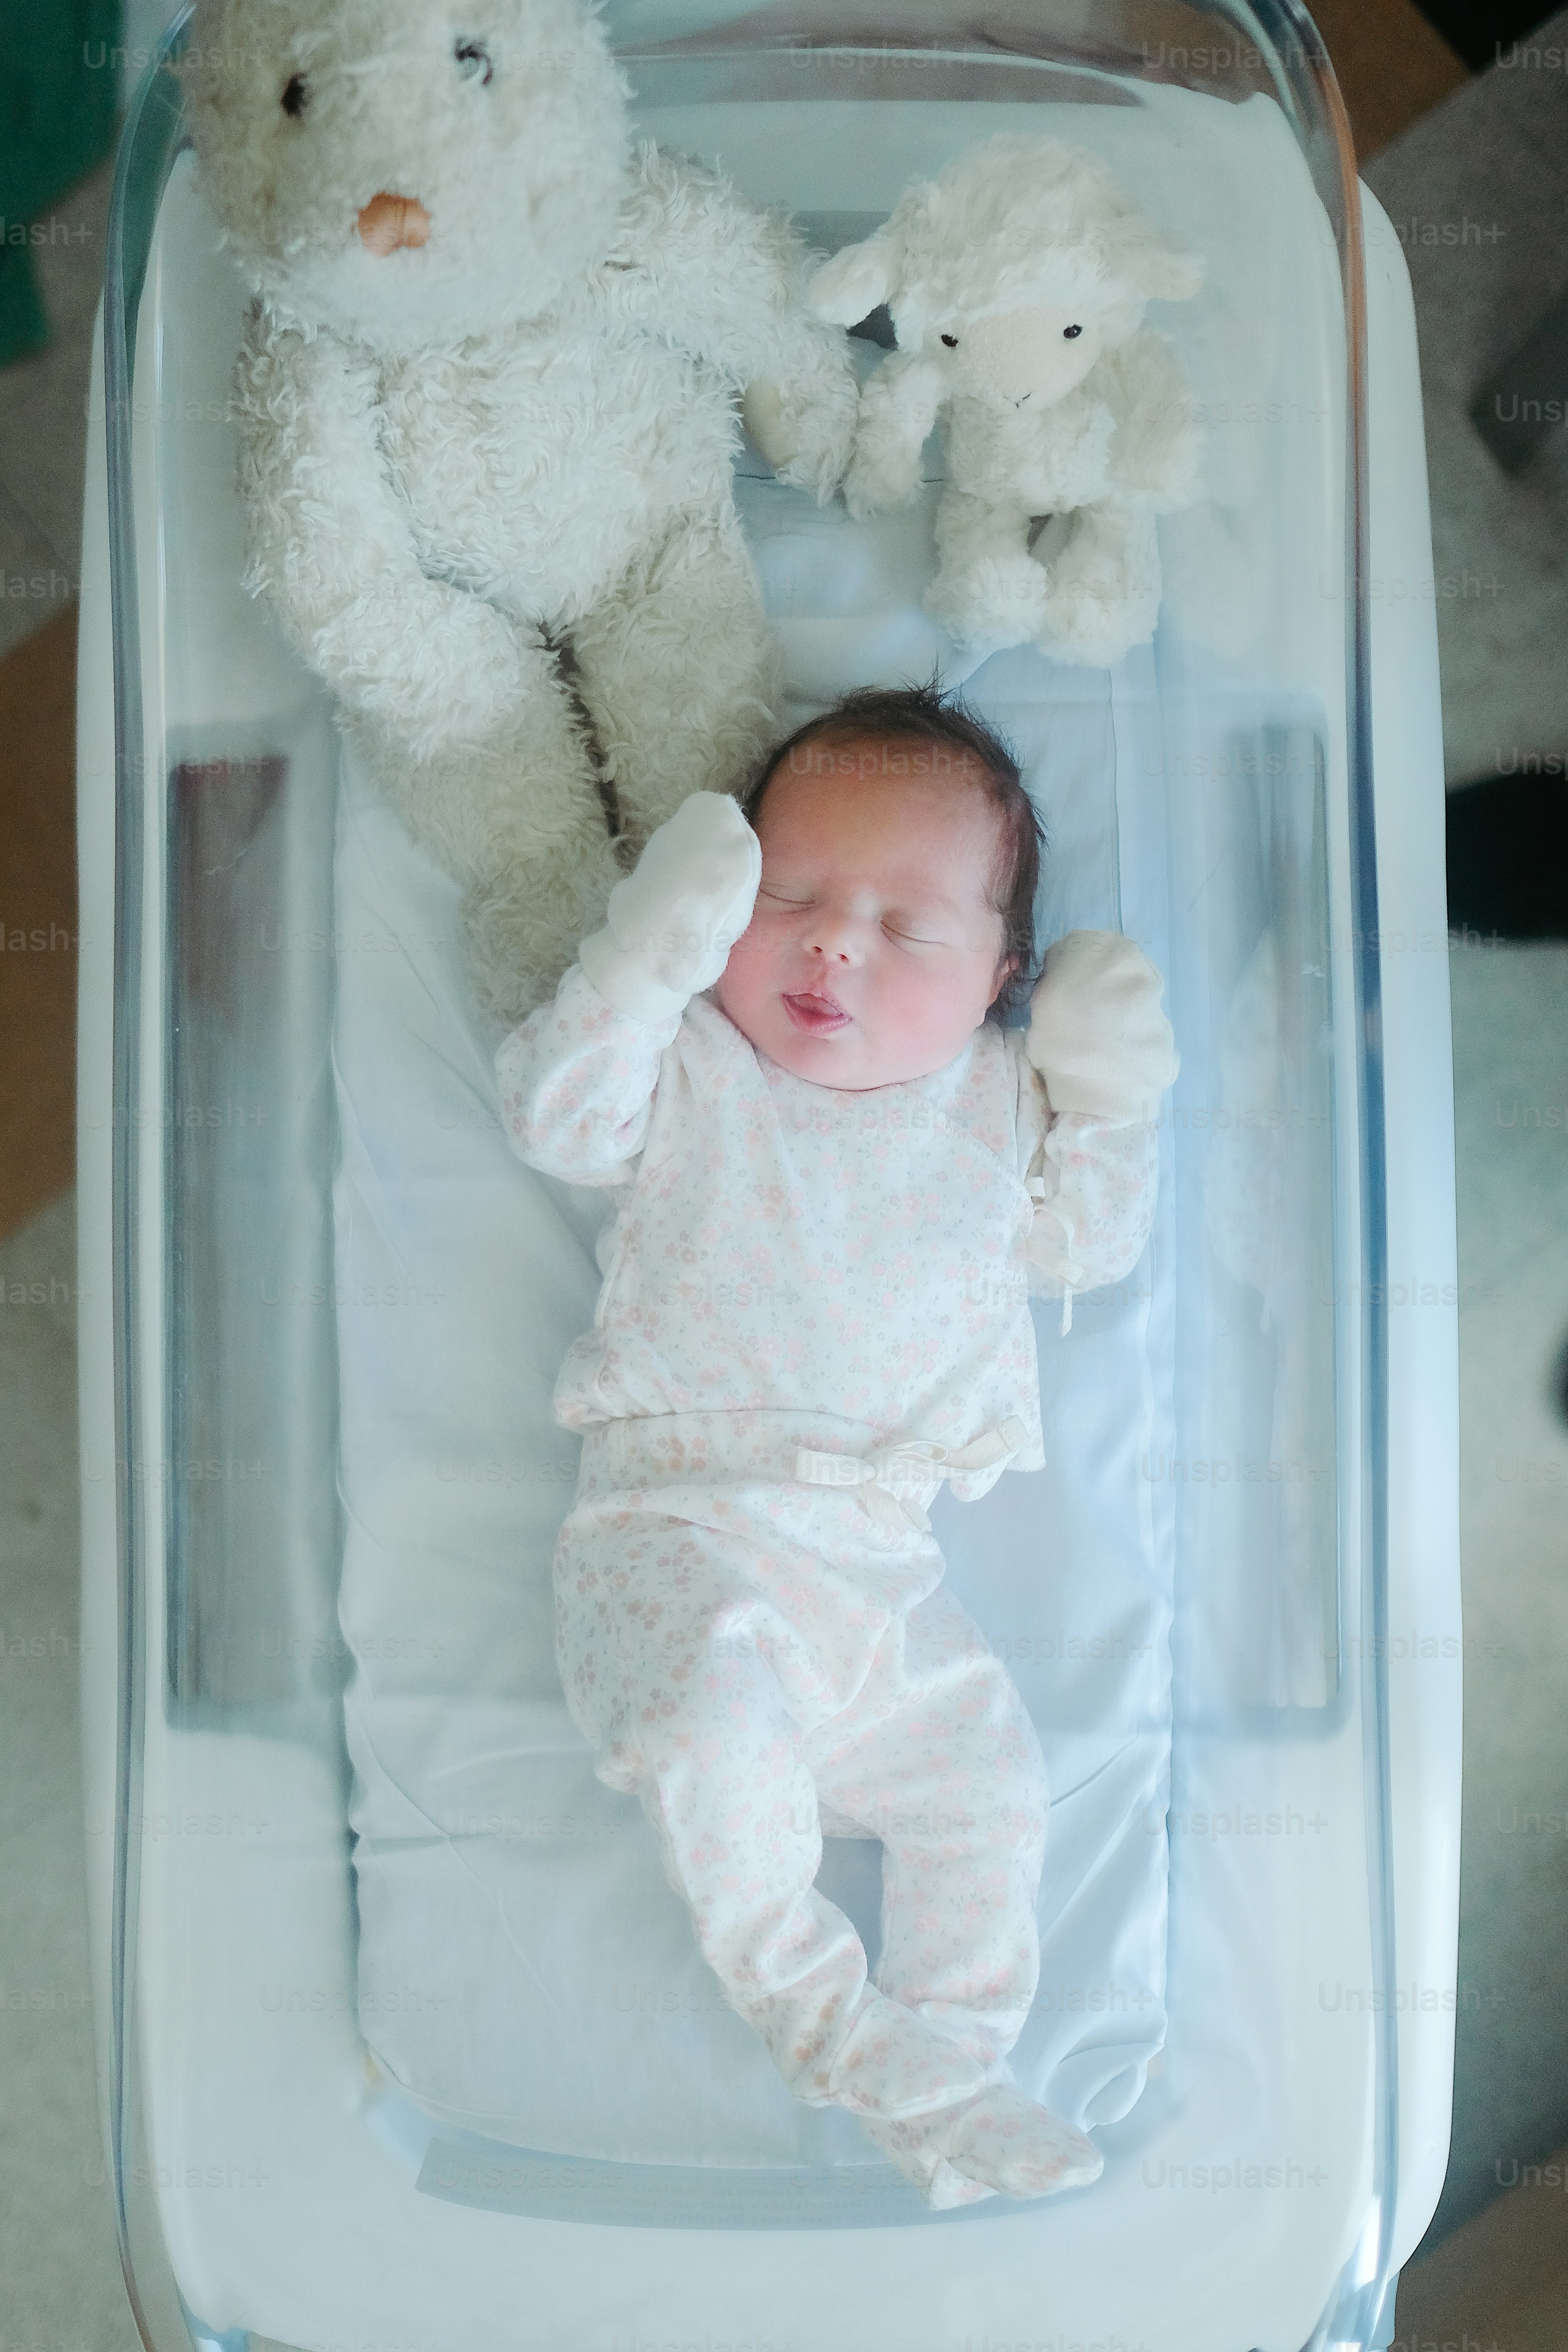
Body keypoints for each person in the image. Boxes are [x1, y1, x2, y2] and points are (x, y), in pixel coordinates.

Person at [496, 683, 1178, 2208]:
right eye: (788, 896)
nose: (832, 943)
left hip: (880, 1581)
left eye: (905, 926)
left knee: (989, 1788)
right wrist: (641, 953)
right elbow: (552, 1116)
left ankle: (952, 2078)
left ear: (1003, 975)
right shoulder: (693, 1062)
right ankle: (834, 2023)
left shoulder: (998, 1104)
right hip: (672, 1534)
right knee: (714, 1740)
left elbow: (1086, 1249)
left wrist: (1110, 1097)